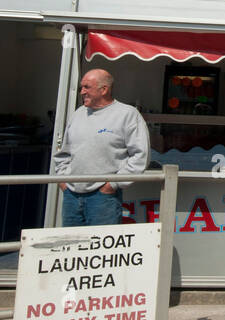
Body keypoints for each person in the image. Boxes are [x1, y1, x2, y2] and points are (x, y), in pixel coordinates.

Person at [53, 69, 151, 226]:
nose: (82, 92)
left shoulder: (127, 114)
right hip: (71, 196)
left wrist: (112, 184)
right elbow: (63, 153)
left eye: (86, 87)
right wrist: (63, 181)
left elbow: (140, 155)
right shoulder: (78, 114)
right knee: (71, 247)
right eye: (81, 87)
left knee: (101, 249)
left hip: (103, 198)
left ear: (104, 89)